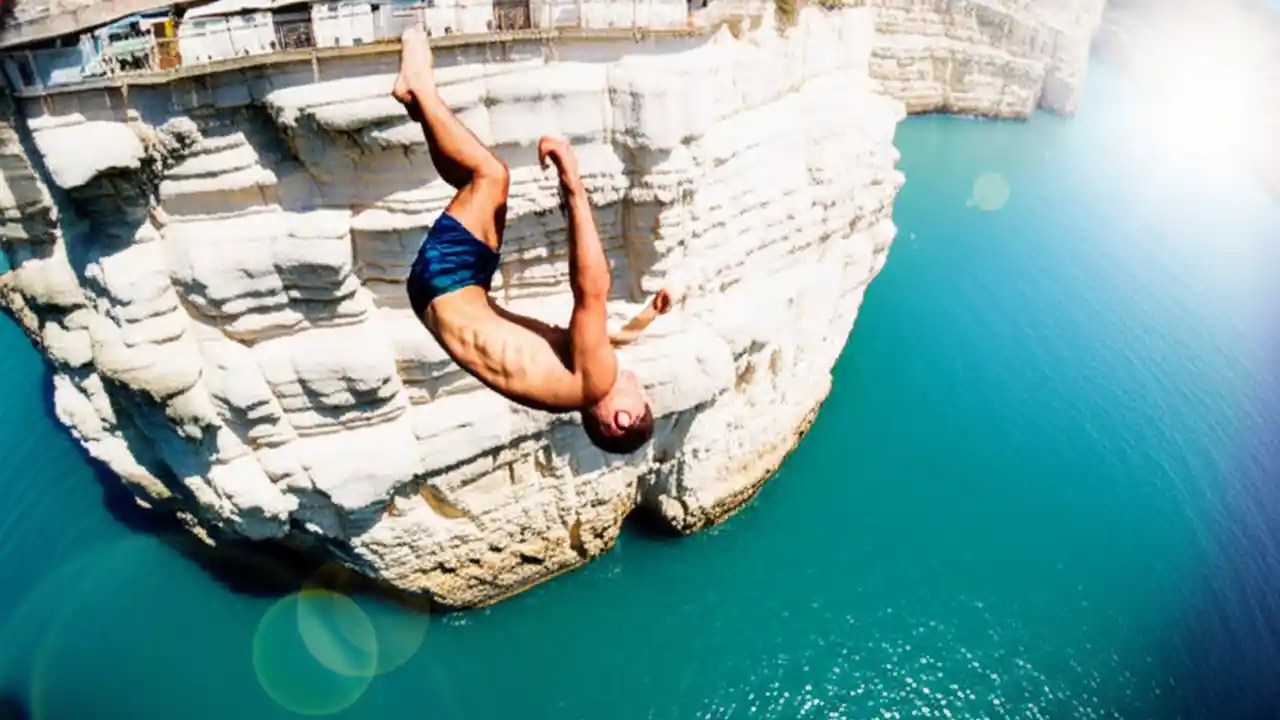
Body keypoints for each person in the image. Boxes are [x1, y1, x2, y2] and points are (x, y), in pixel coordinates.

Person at [393, 27, 670, 455]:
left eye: (644, 400)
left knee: (489, 176)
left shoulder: (595, 378)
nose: (643, 386)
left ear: (621, 418)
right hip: (446, 295)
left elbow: (591, 290)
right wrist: (648, 316)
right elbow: (607, 338)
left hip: (450, 282)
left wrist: (573, 184)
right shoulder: (571, 384)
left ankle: (421, 92)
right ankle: (422, 106)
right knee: (479, 183)